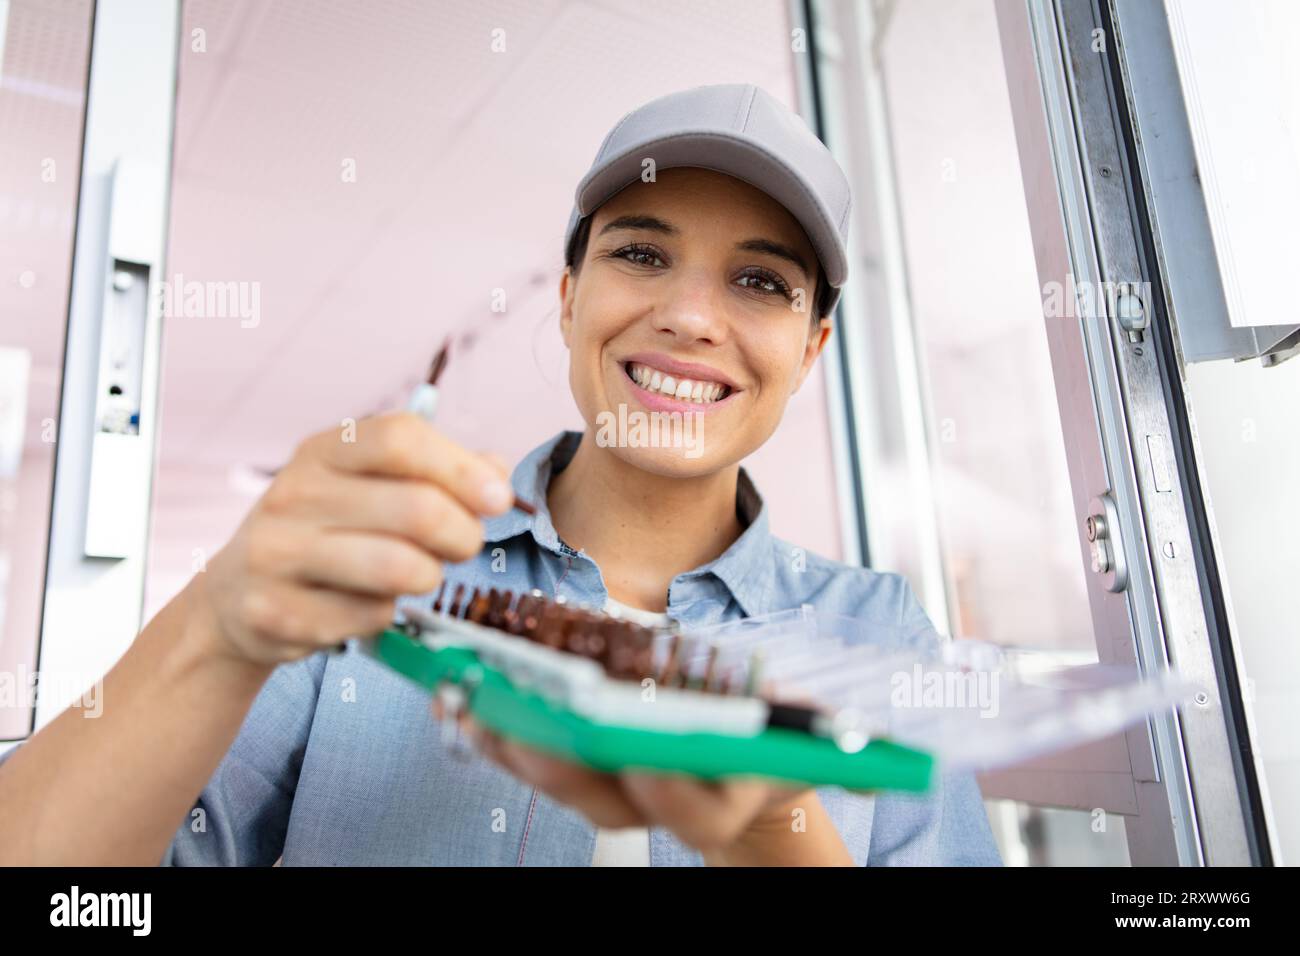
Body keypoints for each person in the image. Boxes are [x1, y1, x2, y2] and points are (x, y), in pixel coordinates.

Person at [0, 84, 1000, 866]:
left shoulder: (875, 633)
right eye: (642, 253)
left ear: (812, 345)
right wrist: (215, 623)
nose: (693, 317)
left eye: (759, 280)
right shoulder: (379, 582)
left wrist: (768, 820)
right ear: (569, 299)